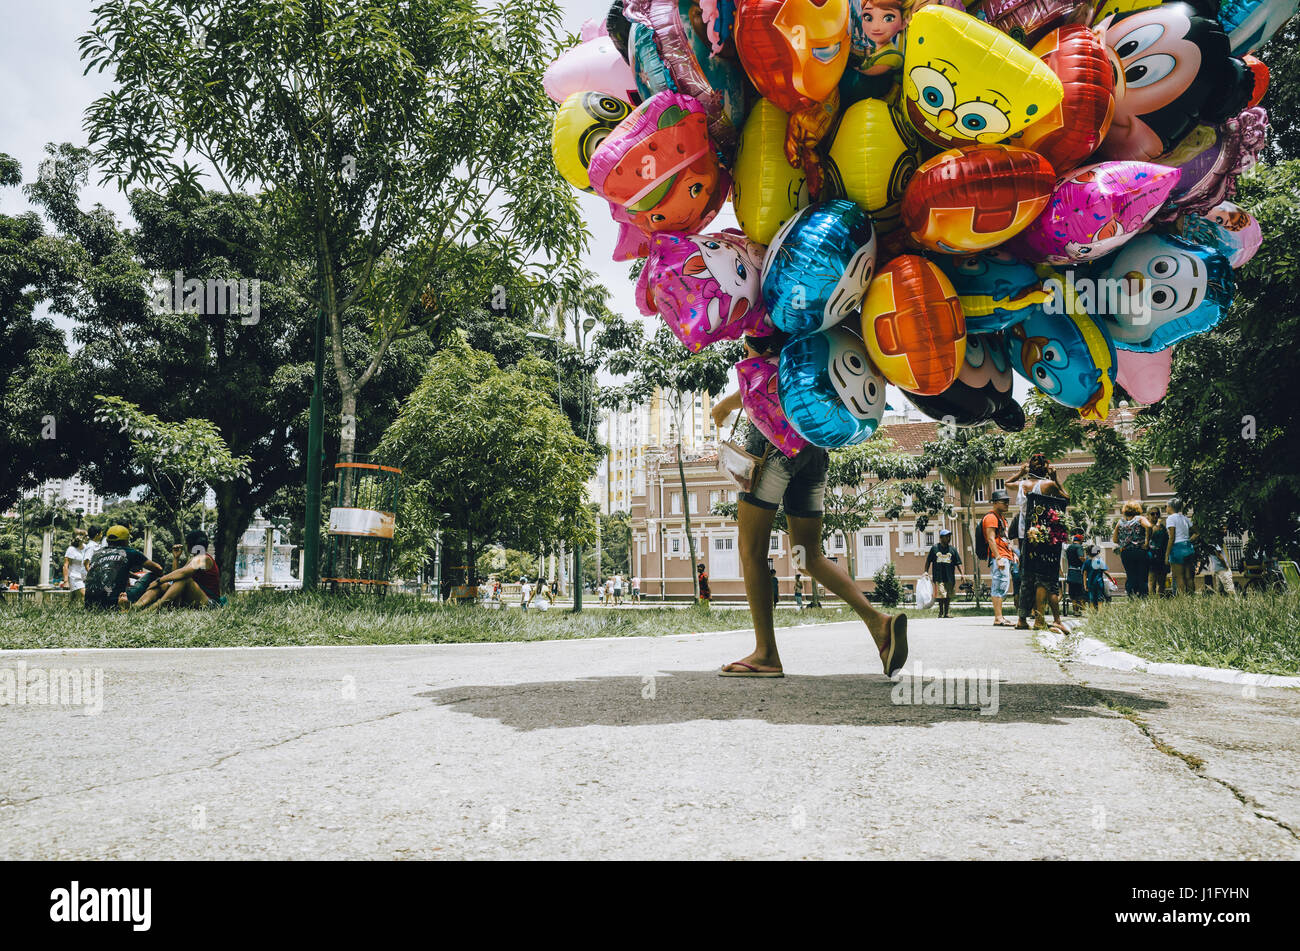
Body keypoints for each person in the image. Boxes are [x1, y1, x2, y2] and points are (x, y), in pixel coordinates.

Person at [710, 332, 907, 677]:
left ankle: (766, 654)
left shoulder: (767, 306)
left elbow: (768, 371)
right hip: (813, 443)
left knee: (751, 550)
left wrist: (726, 404)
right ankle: (879, 623)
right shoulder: (816, 318)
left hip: (773, 441)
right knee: (809, 554)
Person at [83, 525, 165, 610]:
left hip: (90, 604)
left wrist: (136, 577)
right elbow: (158, 569)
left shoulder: (97, 554)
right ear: (126, 540)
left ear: (107, 540)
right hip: (115, 602)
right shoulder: (130, 552)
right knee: (152, 575)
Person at [136, 531, 224, 610]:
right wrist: (176, 558)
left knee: (185, 579)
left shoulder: (204, 558)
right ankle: (136, 606)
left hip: (211, 604)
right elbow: (176, 579)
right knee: (164, 585)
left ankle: (153, 608)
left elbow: (183, 573)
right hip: (194, 599)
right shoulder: (194, 559)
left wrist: (159, 580)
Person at [981, 489, 1017, 627]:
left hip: (1006, 555)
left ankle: (1000, 616)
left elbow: (1005, 539)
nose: (1007, 504)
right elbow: (991, 539)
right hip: (999, 556)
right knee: (999, 585)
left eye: (1008, 501)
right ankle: (998, 618)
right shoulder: (991, 517)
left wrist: (1013, 553)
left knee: (1004, 586)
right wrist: (998, 557)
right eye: (1004, 502)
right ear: (995, 503)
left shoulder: (1002, 518)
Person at [1112, 501, 1152, 597]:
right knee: (1142, 576)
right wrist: (1146, 542)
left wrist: (1124, 542)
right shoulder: (1140, 519)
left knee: (1131, 576)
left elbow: (1115, 539)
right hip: (1139, 551)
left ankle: (1131, 596)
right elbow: (1149, 526)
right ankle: (1143, 598)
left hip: (1126, 552)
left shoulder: (1120, 522)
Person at [923, 528, 963, 618]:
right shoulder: (934, 548)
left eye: (949, 536)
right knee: (941, 595)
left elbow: (958, 563)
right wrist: (926, 571)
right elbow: (928, 561)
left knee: (948, 595)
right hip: (938, 576)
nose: (949, 538)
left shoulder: (953, 549)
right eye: (946, 536)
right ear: (941, 538)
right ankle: (940, 612)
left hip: (949, 576)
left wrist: (962, 574)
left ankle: (946, 613)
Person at [1164, 497, 1195, 595]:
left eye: (1166, 506)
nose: (1166, 508)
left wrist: (1167, 554)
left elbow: (1172, 537)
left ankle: (1183, 599)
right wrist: (1189, 540)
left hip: (1177, 549)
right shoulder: (1185, 518)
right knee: (1189, 576)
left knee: (1179, 576)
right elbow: (1197, 532)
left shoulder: (1170, 518)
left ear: (1170, 507)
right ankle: (1191, 597)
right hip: (1188, 547)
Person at [1146, 508, 1169, 597]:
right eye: (1152, 514)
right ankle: (1152, 600)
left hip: (1162, 555)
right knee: (1152, 580)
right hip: (1151, 555)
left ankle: (1161, 600)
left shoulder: (1162, 527)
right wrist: (1154, 528)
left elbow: (1167, 541)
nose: (1155, 516)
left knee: (1162, 581)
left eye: (1157, 514)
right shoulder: (1147, 527)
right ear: (1148, 515)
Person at [62, 531, 89, 604]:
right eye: (85, 536)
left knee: (73, 600)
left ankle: (67, 612)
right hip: (74, 577)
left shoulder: (86, 548)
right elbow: (65, 565)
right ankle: (86, 613)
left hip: (84, 577)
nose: (88, 537)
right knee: (84, 594)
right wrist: (66, 581)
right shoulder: (71, 549)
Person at [1064, 533, 1087, 614]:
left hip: (1070, 571)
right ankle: (1081, 609)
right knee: (1080, 592)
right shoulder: (1079, 547)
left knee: (1072, 593)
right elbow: (1081, 557)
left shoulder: (1069, 547)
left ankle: (1075, 611)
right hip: (1078, 572)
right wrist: (1087, 561)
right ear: (1080, 541)